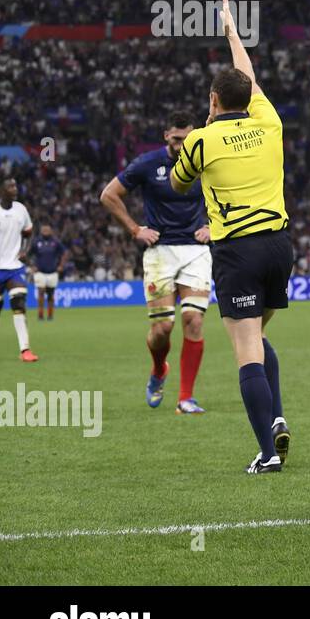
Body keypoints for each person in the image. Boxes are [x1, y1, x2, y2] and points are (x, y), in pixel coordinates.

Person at [171, 0, 294, 474]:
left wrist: (203, 133)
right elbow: (248, 74)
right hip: (279, 247)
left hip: (236, 251)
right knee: (257, 339)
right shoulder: (269, 122)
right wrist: (231, 32)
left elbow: (181, 184)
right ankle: (278, 416)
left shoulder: (201, 140)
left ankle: (267, 455)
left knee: (246, 351)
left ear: (213, 101)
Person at [101, 114, 213, 413]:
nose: (181, 145)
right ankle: (158, 369)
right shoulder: (148, 163)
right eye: (176, 139)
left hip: (196, 250)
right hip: (160, 252)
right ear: (166, 136)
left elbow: (231, 194)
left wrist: (215, 226)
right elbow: (109, 195)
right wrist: (135, 229)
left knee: (194, 320)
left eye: (186, 139)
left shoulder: (205, 162)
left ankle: (185, 398)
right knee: (163, 328)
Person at [0, 179, 38, 362]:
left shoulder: (20, 209)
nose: (15, 189)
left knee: (19, 304)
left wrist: (25, 251)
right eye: (10, 186)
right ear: (1, 190)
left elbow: (29, 233)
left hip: (14, 267)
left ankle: (25, 350)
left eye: (16, 185)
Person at [31, 224, 69, 321]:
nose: (45, 232)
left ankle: (50, 315)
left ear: (51, 231)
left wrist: (61, 265)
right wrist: (32, 266)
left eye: (47, 230)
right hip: (40, 272)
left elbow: (65, 253)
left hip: (52, 272)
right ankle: (40, 315)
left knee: (51, 295)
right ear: (41, 231)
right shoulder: (36, 242)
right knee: (41, 292)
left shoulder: (55, 242)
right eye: (44, 230)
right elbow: (29, 253)